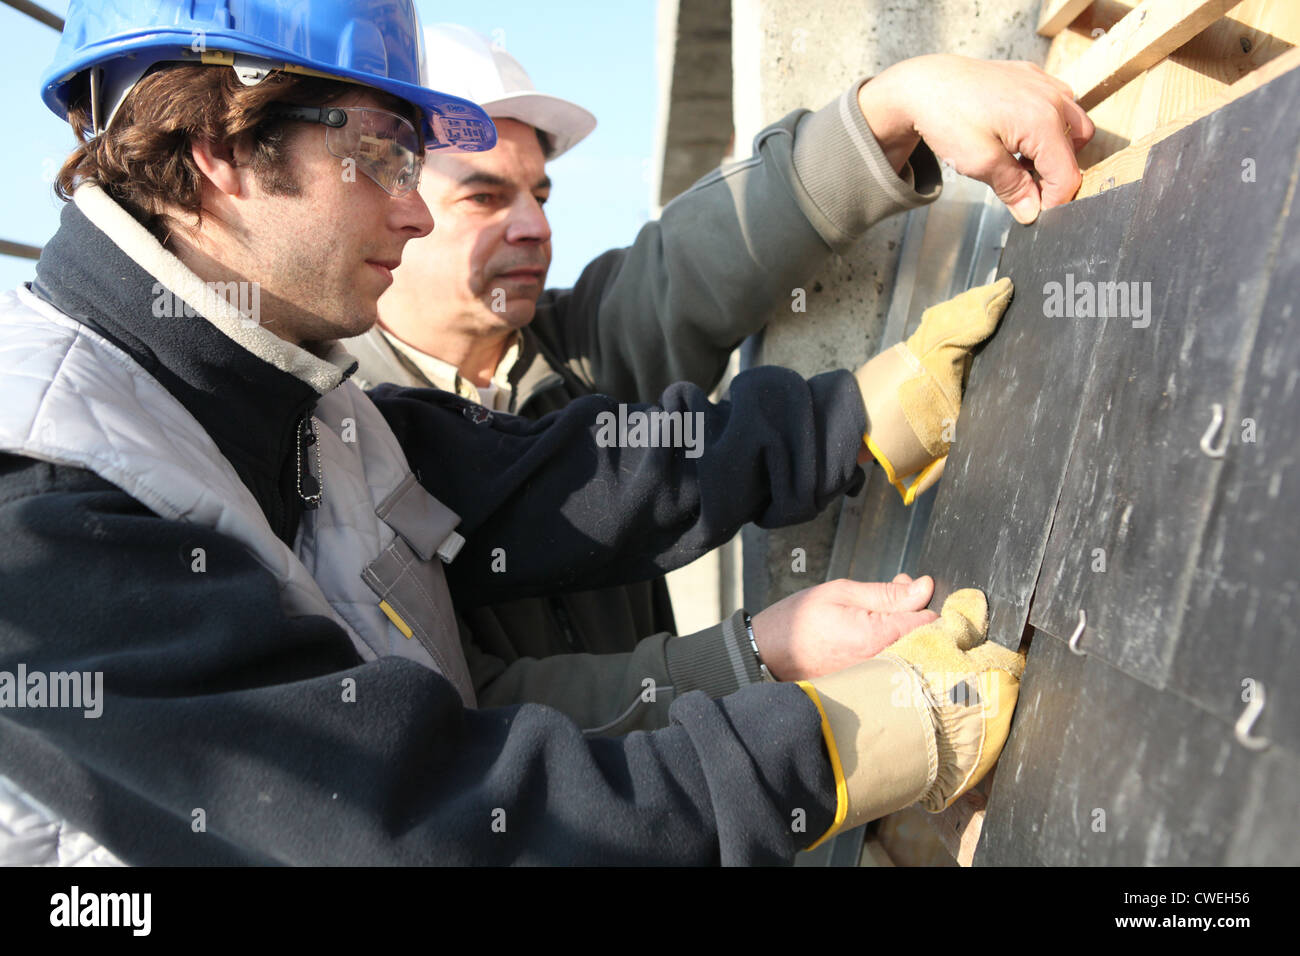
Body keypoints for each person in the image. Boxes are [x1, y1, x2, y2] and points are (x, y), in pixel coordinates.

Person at [0, 0, 1036, 865]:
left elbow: (552, 478)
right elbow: (419, 821)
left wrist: (846, 420)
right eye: (381, 155)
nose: (410, 216)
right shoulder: (44, 506)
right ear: (219, 147)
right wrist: (831, 745)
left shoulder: (292, 405)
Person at [345, 25, 1092, 731]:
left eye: (539, 195)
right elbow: (490, 718)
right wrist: (754, 656)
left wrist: (896, 106)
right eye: (484, 196)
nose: (536, 227)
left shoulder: (577, 351)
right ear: (393, 202)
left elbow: (707, 254)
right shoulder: (349, 446)